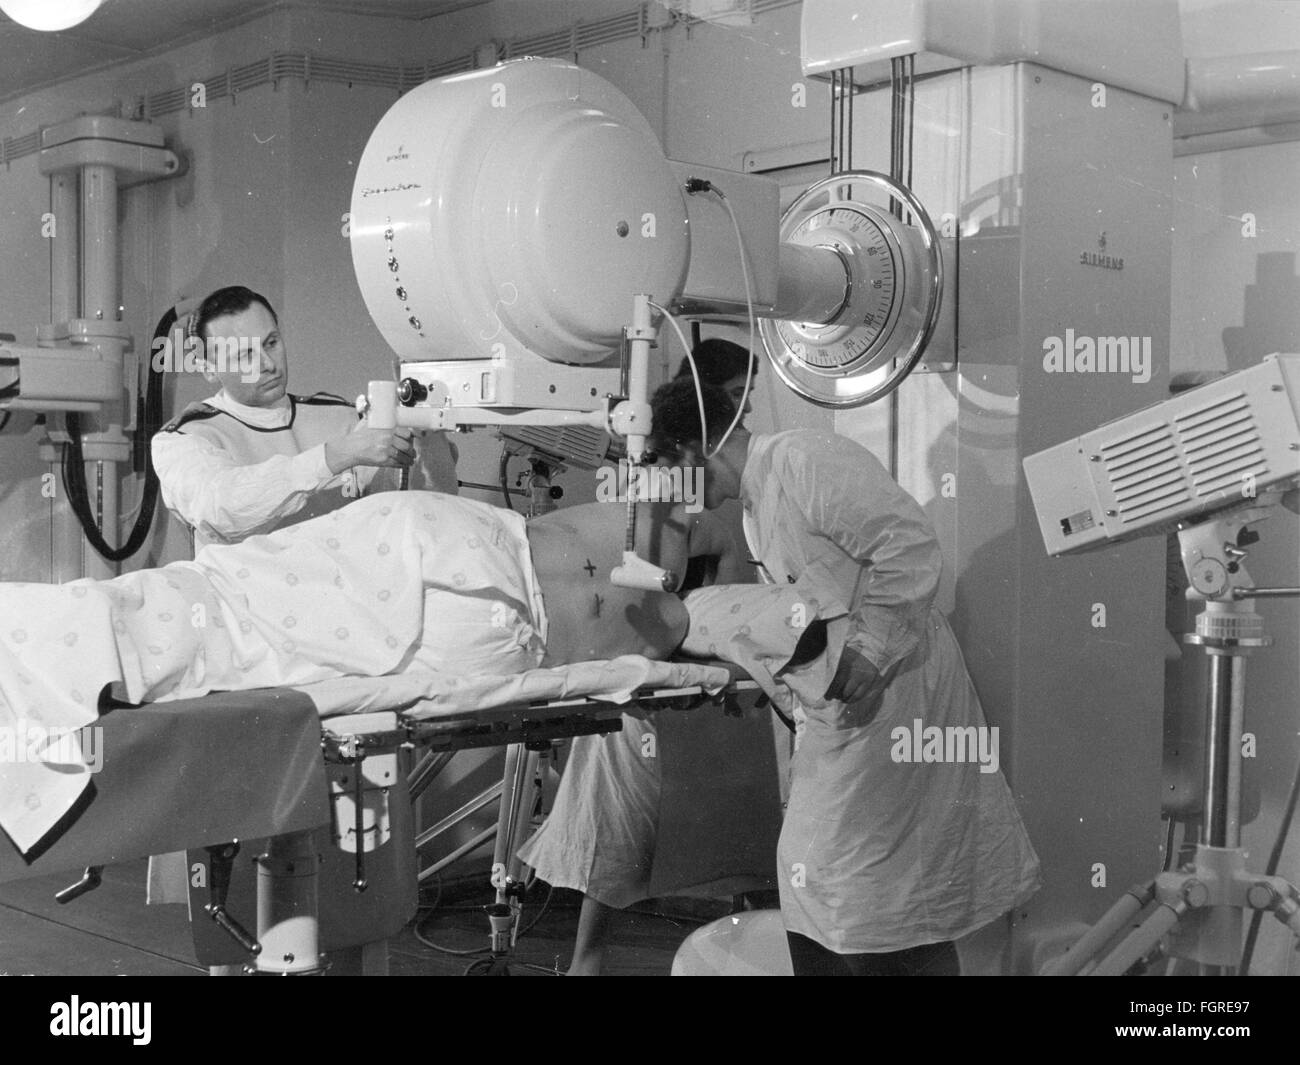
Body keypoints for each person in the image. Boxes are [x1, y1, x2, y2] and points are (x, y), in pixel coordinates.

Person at [649, 376, 1042, 976]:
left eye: (663, 465)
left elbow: (906, 544)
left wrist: (870, 651)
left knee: (870, 887)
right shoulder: (757, 502)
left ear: (688, 451)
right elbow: (806, 611)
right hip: (848, 694)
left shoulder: (802, 458)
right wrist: (750, 674)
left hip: (893, 680)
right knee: (832, 881)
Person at [516, 338, 771, 977]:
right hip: (642, 672)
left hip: (694, 667)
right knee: (619, 823)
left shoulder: (719, 493)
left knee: (738, 829)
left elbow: (738, 593)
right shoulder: (666, 481)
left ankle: (750, 943)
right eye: (733, 399)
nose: (742, 414)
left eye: (747, 398)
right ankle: (588, 962)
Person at [151, 285, 459, 552]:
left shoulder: (339, 418)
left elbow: (423, 505)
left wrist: (424, 433)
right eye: (245, 355)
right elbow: (221, 509)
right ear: (208, 368)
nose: (268, 364)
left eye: (271, 343)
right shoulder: (186, 439)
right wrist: (335, 456)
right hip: (247, 608)